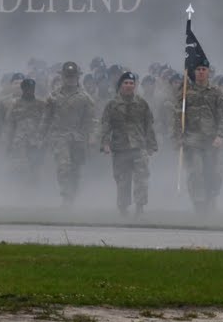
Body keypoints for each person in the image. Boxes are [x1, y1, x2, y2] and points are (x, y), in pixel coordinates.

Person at [99, 71, 157, 216]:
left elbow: (148, 125)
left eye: (132, 83)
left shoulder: (142, 103)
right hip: (120, 148)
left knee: (141, 178)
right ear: (120, 85)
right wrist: (105, 143)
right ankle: (123, 208)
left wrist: (151, 145)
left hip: (139, 146)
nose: (129, 86)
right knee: (123, 180)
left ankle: (140, 207)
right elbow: (105, 125)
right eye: (126, 83)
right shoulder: (112, 105)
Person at [175, 59, 223, 214]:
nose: (200, 72)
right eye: (198, 69)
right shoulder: (186, 91)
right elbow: (178, 116)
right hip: (192, 139)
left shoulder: (216, 92)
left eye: (203, 69)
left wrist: (220, 135)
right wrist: (178, 136)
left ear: (208, 72)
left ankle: (211, 198)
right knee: (196, 171)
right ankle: (199, 203)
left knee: (214, 173)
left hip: (211, 140)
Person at [42, 61, 96, 207]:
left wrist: (91, 137)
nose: (70, 79)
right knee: (63, 166)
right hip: (59, 136)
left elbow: (92, 120)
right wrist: (42, 136)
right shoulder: (53, 97)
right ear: (63, 77)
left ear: (78, 77)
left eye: (73, 76)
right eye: (67, 76)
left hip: (78, 138)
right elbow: (46, 119)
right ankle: (66, 196)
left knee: (76, 170)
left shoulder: (85, 98)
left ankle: (73, 196)